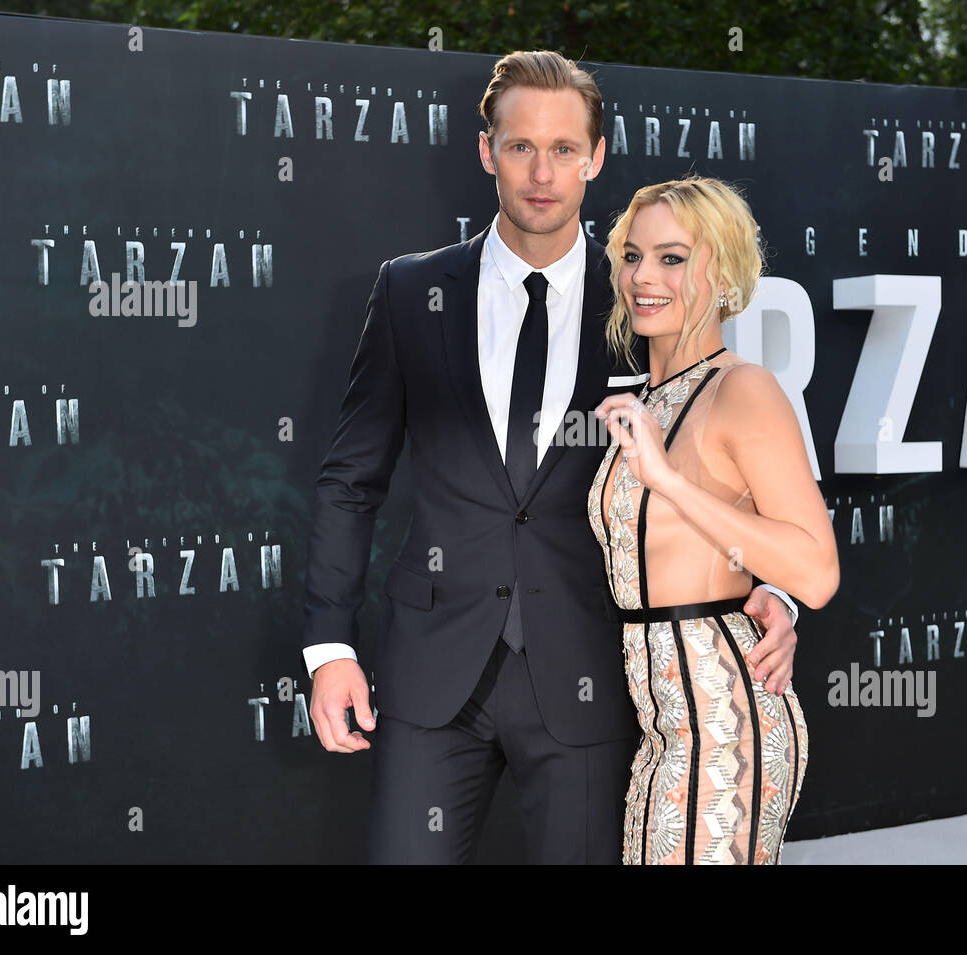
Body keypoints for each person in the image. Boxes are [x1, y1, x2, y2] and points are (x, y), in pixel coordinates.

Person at [300, 50, 802, 864]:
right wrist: (330, 649)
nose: (543, 171)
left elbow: (728, 450)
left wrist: (773, 588)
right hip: (432, 676)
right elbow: (349, 483)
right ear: (485, 150)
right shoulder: (408, 292)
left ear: (597, 158)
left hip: (592, 671)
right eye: (521, 145)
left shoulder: (646, 302)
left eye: (565, 148)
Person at [591, 176, 840, 864]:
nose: (643, 276)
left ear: (723, 272)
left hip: (729, 727)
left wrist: (668, 482)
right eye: (633, 256)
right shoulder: (646, 395)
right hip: (665, 728)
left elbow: (816, 571)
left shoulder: (745, 389)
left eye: (672, 258)